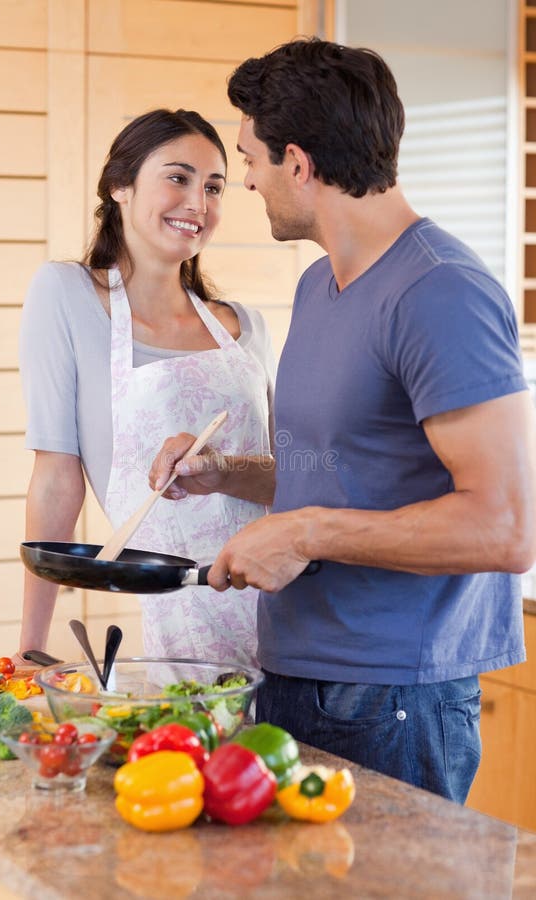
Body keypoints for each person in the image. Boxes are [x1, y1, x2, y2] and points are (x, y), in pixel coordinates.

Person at [148, 41, 536, 803]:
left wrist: (304, 533)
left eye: (250, 158)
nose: (248, 180)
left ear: (298, 162)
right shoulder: (325, 285)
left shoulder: (441, 293)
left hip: (394, 700)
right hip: (300, 677)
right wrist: (224, 472)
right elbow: (343, 470)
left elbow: (506, 527)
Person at [0, 108, 275, 676]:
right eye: (178, 177)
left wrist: (225, 466)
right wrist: (31, 647)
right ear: (119, 185)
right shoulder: (66, 295)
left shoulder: (247, 326)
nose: (199, 202)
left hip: (285, 612)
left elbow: (291, 473)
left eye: (214, 187)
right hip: (175, 626)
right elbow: (56, 475)